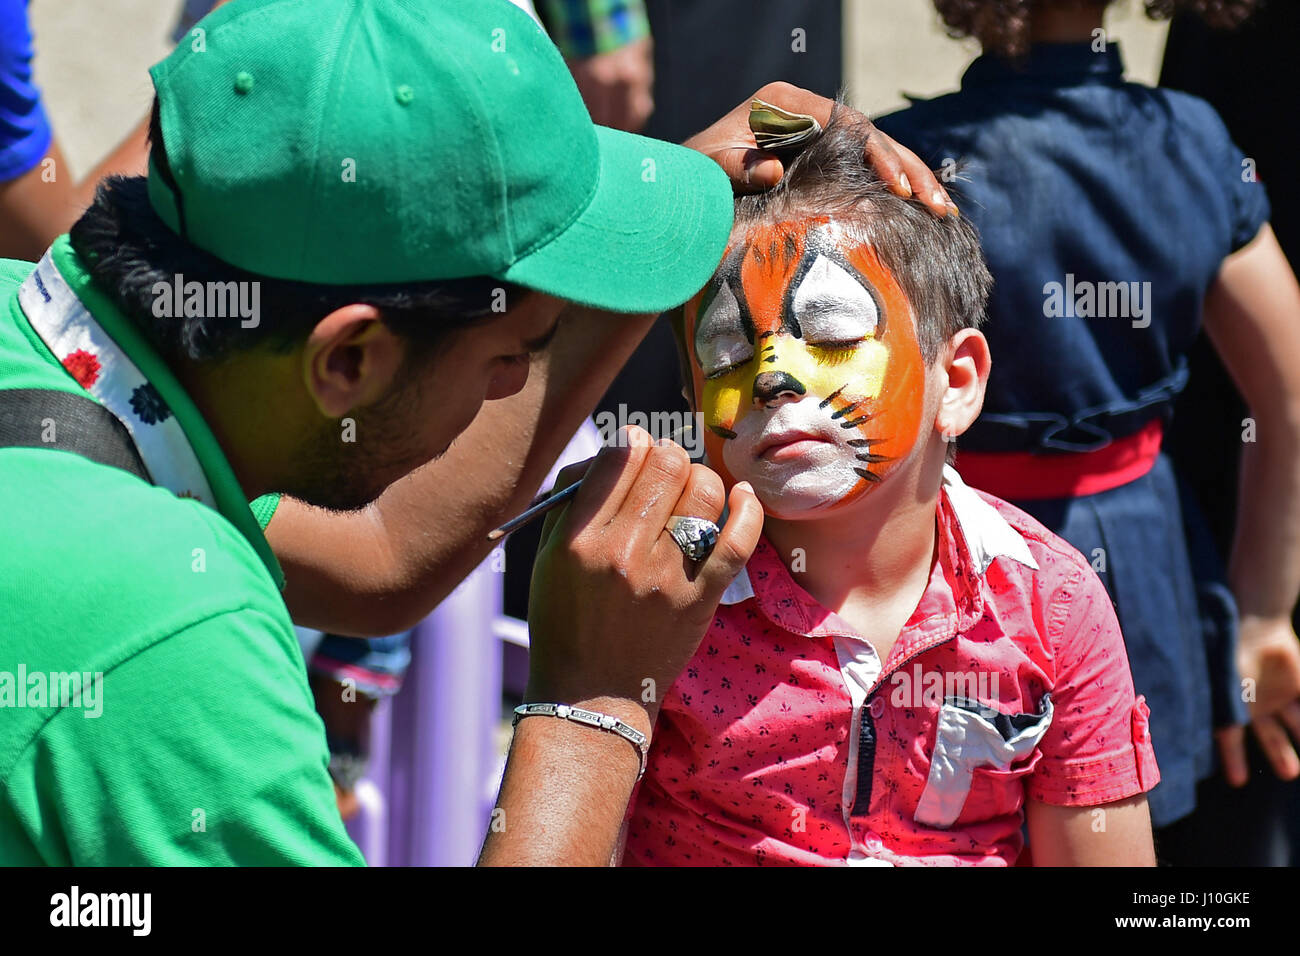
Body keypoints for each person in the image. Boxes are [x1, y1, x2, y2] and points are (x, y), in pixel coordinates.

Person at [0, 0, 951, 865]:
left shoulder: (58, 360)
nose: (520, 383)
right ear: (348, 363)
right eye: (516, 352)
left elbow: (379, 555)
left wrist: (661, 215)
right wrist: (592, 701)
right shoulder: (168, 649)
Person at [620, 110, 1159, 866]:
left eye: (834, 333)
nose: (771, 375)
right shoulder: (655, 591)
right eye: (728, 352)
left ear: (959, 382)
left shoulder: (1052, 608)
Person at [872, 0, 1300, 863]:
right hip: (1142, 565)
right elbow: (1286, 390)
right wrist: (1264, 608)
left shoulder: (902, 162)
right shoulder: (1196, 140)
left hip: (958, 568)